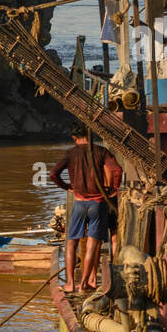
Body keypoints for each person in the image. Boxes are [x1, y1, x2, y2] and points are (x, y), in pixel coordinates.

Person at [49, 125, 122, 294]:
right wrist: (114, 189)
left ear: (75, 138)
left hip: (79, 203)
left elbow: (53, 174)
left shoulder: (71, 153)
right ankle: (84, 284)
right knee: (92, 243)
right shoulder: (101, 151)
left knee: (71, 242)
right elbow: (117, 170)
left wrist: (67, 186)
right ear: (90, 136)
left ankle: (69, 284)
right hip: (98, 203)